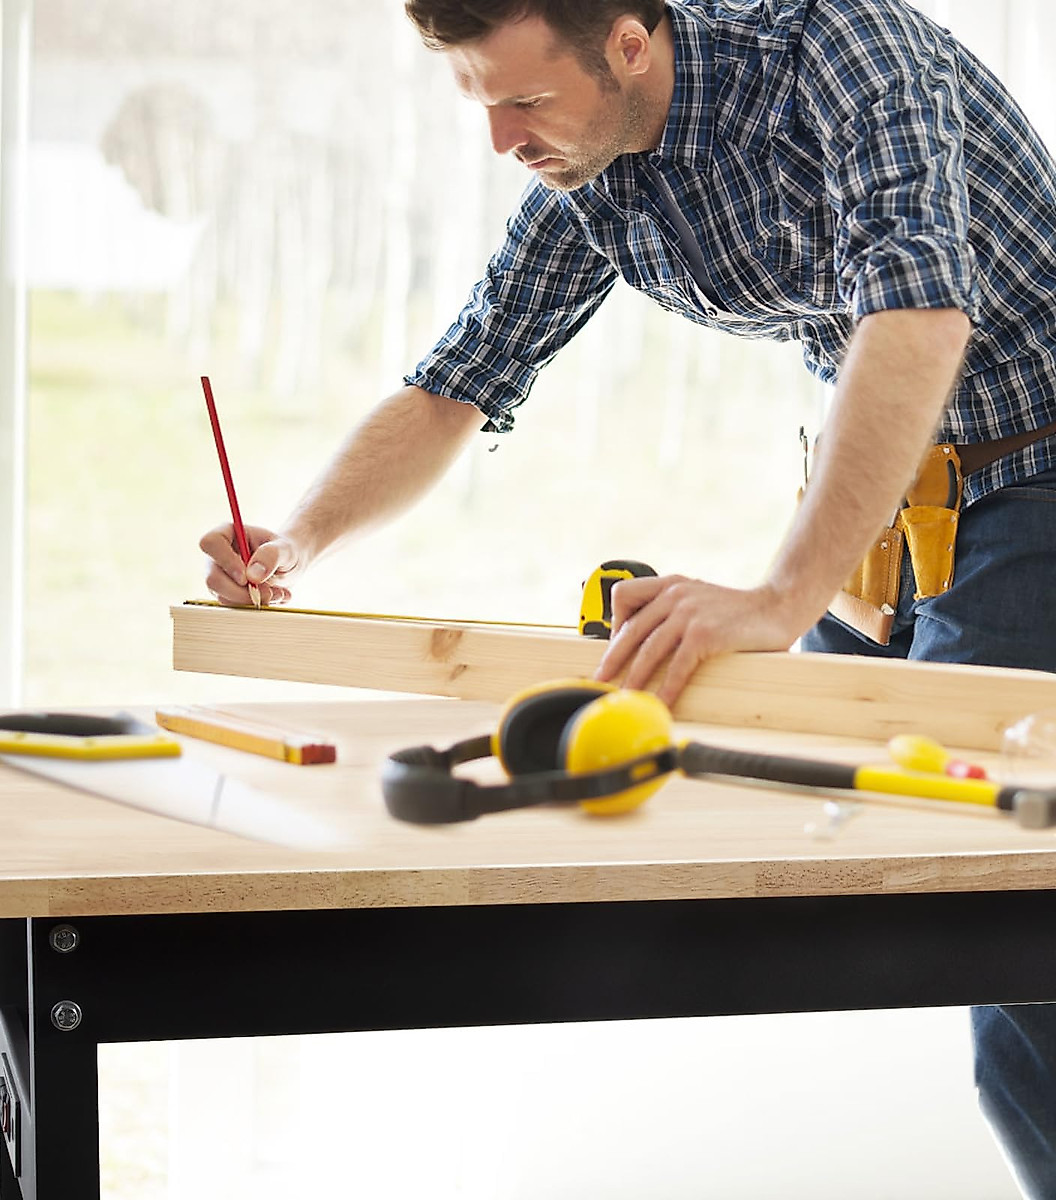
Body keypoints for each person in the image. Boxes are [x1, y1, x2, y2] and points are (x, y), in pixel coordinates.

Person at [200, 1, 1056, 1192]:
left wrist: (770, 597)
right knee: (895, 872)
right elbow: (463, 376)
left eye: (525, 101)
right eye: (481, 104)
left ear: (630, 46)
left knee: (1010, 926)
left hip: (1039, 469)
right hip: (903, 516)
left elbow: (917, 313)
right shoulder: (594, 161)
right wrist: (295, 541)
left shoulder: (842, 50)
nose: (502, 139)